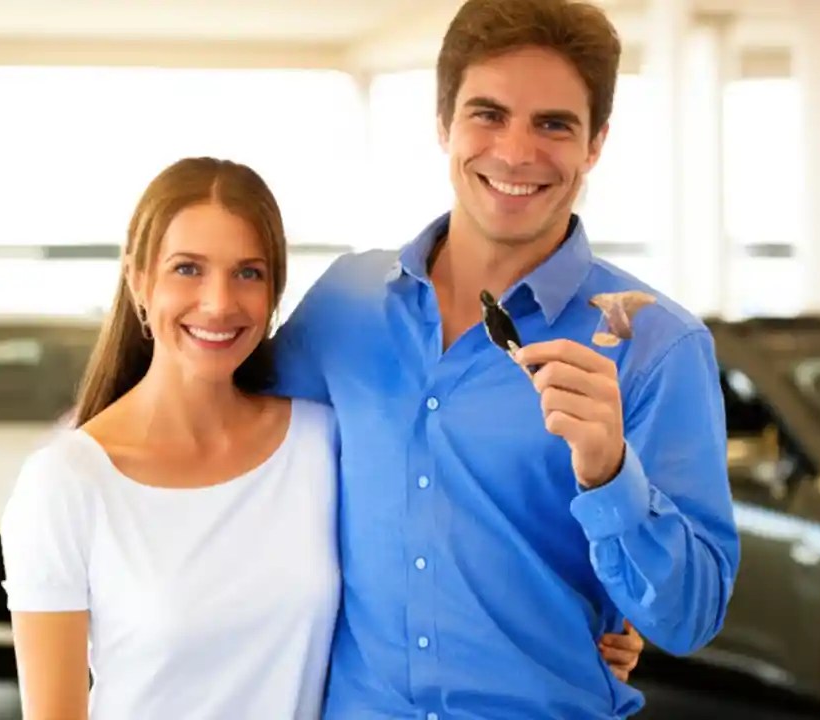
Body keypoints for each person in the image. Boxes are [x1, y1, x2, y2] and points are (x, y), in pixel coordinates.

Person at [0, 155, 645, 719]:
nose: (219, 302)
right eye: (187, 269)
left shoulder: (318, 442)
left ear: (276, 290)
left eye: (248, 273)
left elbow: (442, 547)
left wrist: (583, 624)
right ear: (139, 280)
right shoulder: (67, 484)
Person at [269, 0, 741, 718]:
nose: (517, 153)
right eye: (488, 114)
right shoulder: (346, 303)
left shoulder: (658, 347)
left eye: (554, 125)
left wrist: (611, 475)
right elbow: (235, 462)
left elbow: (690, 618)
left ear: (596, 143)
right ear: (443, 123)